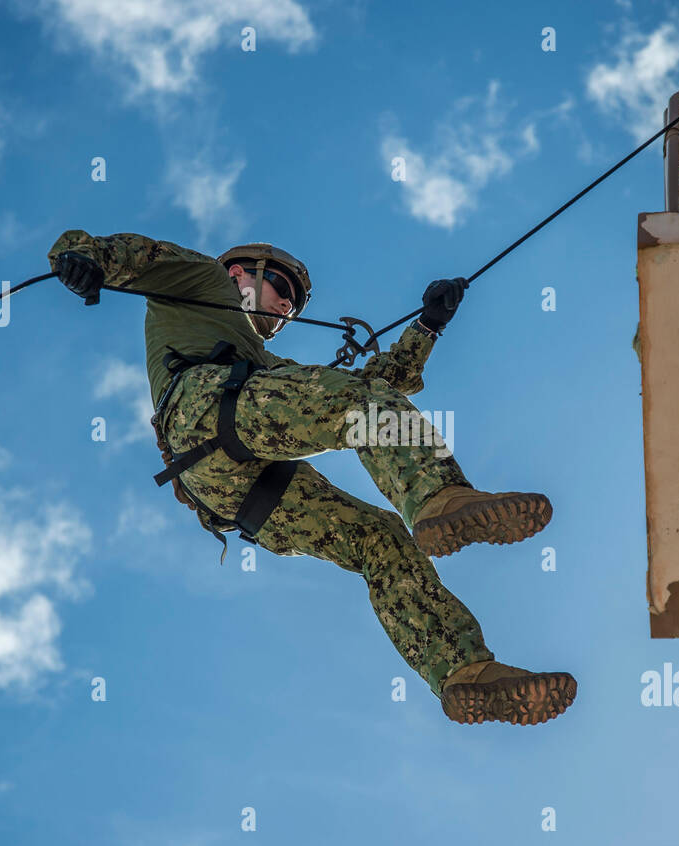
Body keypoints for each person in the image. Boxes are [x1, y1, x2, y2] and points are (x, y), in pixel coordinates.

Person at [47, 232, 578, 726]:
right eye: (279, 287)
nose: (286, 307)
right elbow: (136, 256)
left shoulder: (264, 359)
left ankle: (465, 673)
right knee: (357, 404)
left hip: (243, 490)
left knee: (382, 540)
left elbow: (373, 389)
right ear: (237, 274)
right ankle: (437, 497)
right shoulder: (201, 280)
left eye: (294, 303)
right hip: (206, 411)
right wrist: (81, 258)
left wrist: (426, 329)